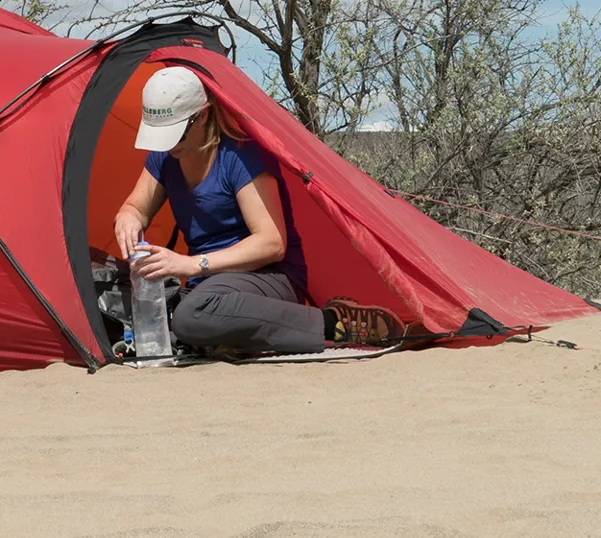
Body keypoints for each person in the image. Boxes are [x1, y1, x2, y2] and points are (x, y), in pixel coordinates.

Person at [112, 66, 403, 355]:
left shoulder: (241, 155)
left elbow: (272, 243)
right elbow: (136, 206)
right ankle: (230, 336)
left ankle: (335, 323)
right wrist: (128, 217)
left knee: (191, 317)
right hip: (211, 287)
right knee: (154, 311)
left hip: (270, 277)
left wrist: (190, 265)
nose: (168, 143)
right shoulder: (164, 158)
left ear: (202, 115)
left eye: (174, 133)